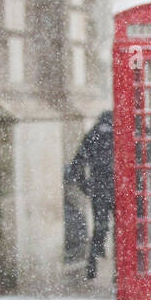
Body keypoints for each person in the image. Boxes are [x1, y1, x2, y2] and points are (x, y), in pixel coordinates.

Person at [65, 110, 114, 280]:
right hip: (120, 189)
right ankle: (120, 271)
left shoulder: (94, 133)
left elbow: (77, 163)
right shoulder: (122, 132)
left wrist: (84, 185)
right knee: (123, 230)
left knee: (100, 227)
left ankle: (92, 266)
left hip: (99, 189)